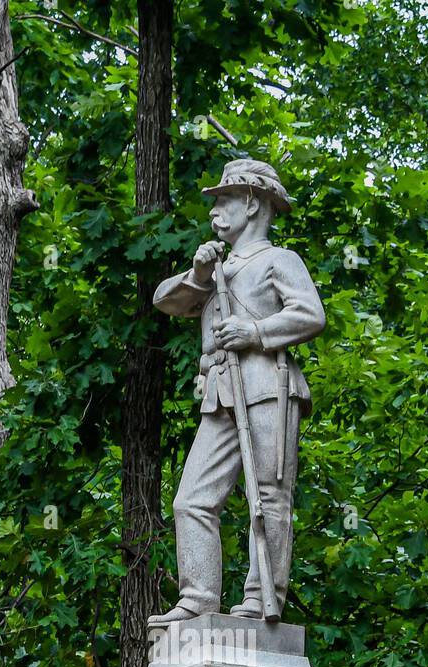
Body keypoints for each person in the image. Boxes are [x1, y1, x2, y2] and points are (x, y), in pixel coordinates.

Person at [149, 158, 325, 624]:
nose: (215, 211)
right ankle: (199, 598)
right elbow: (166, 300)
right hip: (221, 393)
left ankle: (260, 596)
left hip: (268, 386)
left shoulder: (279, 260)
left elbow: (311, 314)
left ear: (251, 203)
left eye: (224, 200)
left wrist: (256, 331)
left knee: (268, 496)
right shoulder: (217, 270)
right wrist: (201, 274)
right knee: (192, 499)